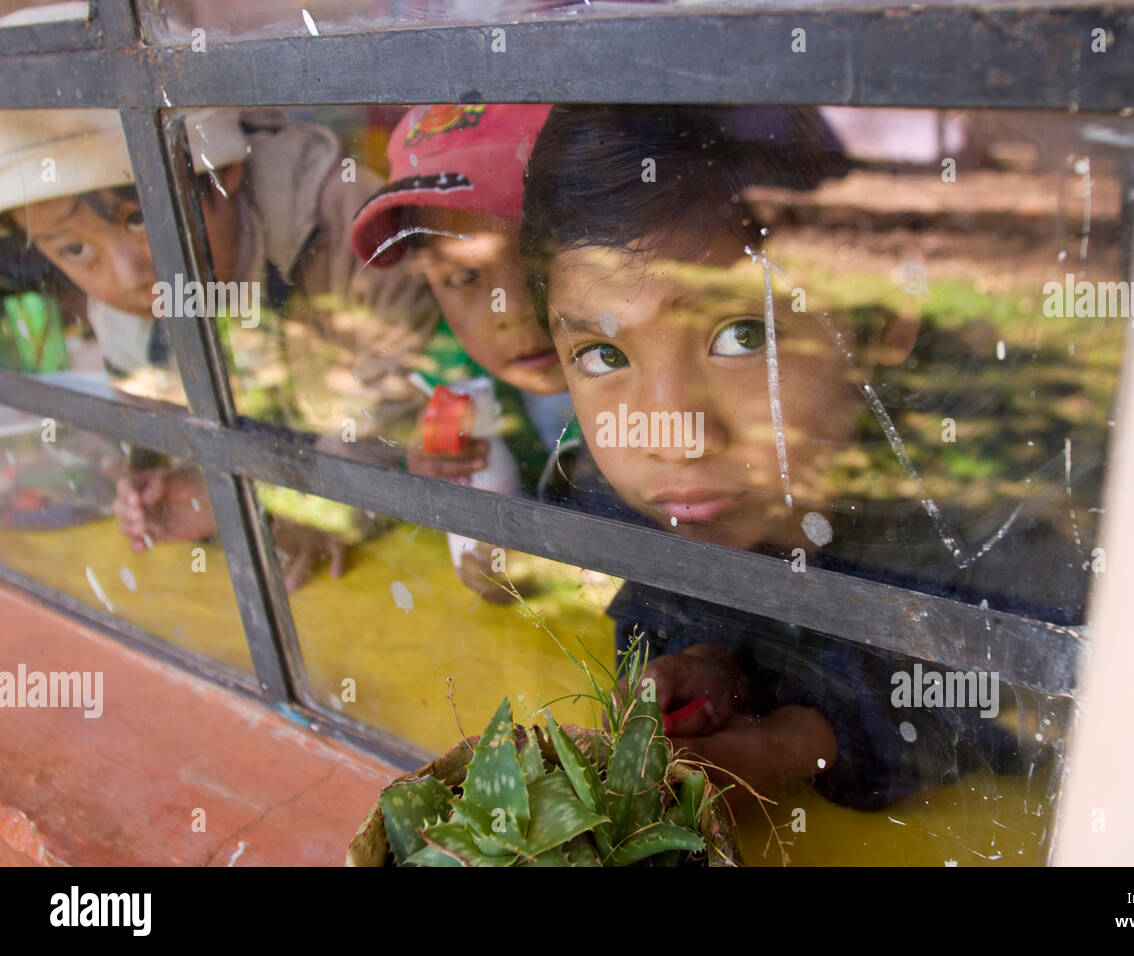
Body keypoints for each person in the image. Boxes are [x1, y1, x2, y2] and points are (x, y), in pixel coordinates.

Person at [520, 105, 1026, 810]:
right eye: (604, 355)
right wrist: (714, 664)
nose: (672, 438)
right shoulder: (666, 513)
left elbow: (1016, 710)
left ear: (882, 316)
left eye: (743, 335)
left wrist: (801, 741)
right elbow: (681, 606)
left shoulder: (972, 509)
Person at [0, 107, 439, 590]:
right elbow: (155, 420)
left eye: (139, 221)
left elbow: (392, 417)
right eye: (74, 251)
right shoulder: (134, 296)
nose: (128, 277)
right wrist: (165, 484)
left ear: (225, 172)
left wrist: (308, 512)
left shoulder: (349, 223)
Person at [350, 103, 573, 600]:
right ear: (428, 282)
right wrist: (435, 481)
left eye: (540, 256)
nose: (513, 313)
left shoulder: (655, 390)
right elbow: (446, 497)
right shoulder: (452, 379)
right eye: (465, 277)